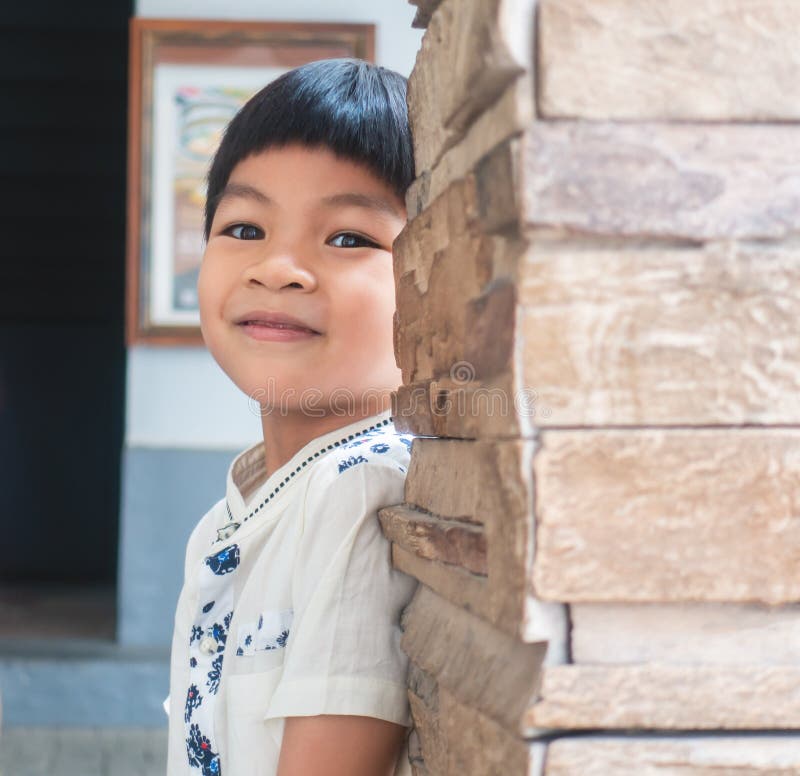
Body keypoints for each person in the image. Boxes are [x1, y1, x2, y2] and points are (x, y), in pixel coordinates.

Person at [164, 58, 419, 776]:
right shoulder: (221, 524)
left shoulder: (361, 492)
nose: (278, 268)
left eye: (346, 239)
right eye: (244, 227)